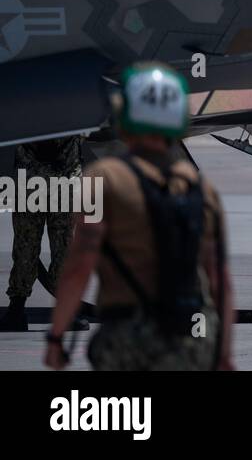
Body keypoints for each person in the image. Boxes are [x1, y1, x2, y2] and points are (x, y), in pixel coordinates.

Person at [44, 62, 234, 371]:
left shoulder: (105, 178)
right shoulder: (201, 189)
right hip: (190, 341)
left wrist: (55, 338)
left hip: (129, 341)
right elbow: (220, 281)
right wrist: (223, 354)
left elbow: (79, 267)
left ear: (125, 115)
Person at [0, 137, 83, 332]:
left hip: (31, 176)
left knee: (26, 245)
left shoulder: (25, 108)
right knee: (62, 245)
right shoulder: (74, 110)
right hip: (63, 176)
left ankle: (16, 309)